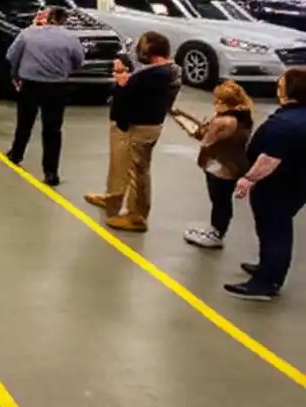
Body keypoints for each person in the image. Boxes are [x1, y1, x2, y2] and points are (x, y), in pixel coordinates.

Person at [85, 32, 181, 231]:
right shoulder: (163, 71)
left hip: (139, 128)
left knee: (137, 170)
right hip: (133, 125)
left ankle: (136, 216)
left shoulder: (155, 76)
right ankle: (113, 197)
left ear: (151, 52)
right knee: (119, 163)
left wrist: (121, 84)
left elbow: (127, 97)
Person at [225, 68, 306, 301]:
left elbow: (270, 159)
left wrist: (249, 179)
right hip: (298, 183)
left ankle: (266, 282)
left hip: (278, 185)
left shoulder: (283, 124)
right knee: (275, 227)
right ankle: (267, 266)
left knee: (274, 230)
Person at [4, 6, 85, 186]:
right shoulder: (71, 39)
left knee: (24, 122)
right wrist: (65, 70)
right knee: (52, 130)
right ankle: (51, 172)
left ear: (47, 18)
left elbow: (11, 56)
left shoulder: (28, 34)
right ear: (64, 20)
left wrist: (16, 75)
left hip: (30, 83)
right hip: (56, 86)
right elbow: (79, 60)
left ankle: (16, 154)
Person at [169, 81, 254, 249]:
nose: (215, 104)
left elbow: (205, 140)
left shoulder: (223, 121)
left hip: (220, 166)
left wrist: (190, 125)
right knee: (222, 201)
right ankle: (216, 230)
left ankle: (216, 234)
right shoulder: (244, 117)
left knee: (219, 200)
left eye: (219, 100)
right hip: (234, 164)